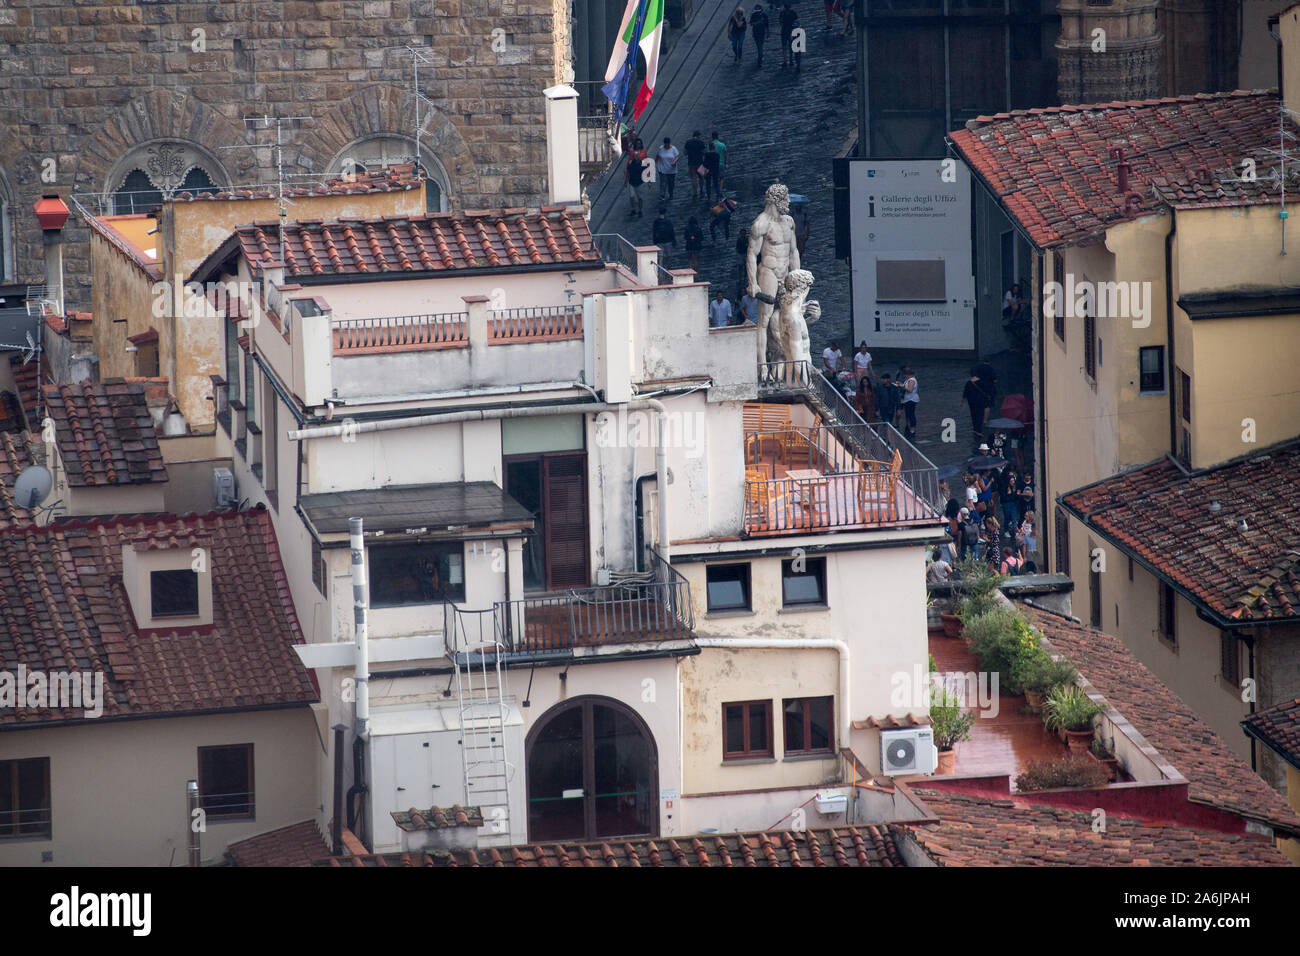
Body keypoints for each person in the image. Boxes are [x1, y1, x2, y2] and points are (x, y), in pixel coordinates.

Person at [746, 183, 799, 365]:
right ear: (776, 201)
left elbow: (794, 252)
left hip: (784, 273)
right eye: (786, 198)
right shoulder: (761, 224)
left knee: (788, 315)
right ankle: (762, 365)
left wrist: (797, 276)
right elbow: (752, 254)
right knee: (764, 320)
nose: (789, 201)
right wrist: (753, 282)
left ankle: (783, 356)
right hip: (768, 271)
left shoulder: (789, 222)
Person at [960, 369, 990, 439]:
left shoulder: (968, 383)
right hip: (980, 401)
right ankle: (978, 430)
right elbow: (987, 391)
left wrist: (961, 402)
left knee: (973, 415)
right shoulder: (982, 382)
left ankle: (975, 429)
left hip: (971, 402)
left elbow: (965, 393)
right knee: (980, 415)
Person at [624, 144, 646, 217]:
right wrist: (626, 182)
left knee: (640, 198)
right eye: (634, 156)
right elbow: (628, 172)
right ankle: (633, 209)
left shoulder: (642, 163)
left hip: (639, 183)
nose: (635, 157)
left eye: (636, 156)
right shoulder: (631, 163)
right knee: (632, 197)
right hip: (632, 182)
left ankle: (640, 210)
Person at [684, 130, 707, 200]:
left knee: (693, 178)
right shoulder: (700, 142)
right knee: (701, 177)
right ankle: (701, 189)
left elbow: (685, 153)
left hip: (691, 163)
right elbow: (704, 152)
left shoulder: (688, 142)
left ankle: (695, 192)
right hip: (700, 162)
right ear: (698, 136)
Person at [655, 137, 679, 202]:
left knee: (671, 183)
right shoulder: (661, 148)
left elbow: (677, 156)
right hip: (662, 169)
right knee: (663, 182)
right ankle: (662, 195)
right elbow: (657, 156)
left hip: (671, 170)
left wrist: (674, 161)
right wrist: (655, 163)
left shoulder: (673, 149)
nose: (667, 145)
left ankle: (671, 194)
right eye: (665, 144)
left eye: (668, 144)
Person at [898, 364, 919, 440]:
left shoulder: (911, 380)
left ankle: (912, 429)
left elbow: (909, 390)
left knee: (911, 414)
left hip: (911, 400)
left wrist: (902, 386)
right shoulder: (908, 380)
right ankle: (909, 427)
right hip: (907, 399)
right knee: (908, 414)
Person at [779, 2, 799, 71]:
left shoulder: (782, 13)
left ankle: (785, 61)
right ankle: (791, 60)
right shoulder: (793, 12)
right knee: (791, 46)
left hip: (784, 31)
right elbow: (797, 22)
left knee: (784, 46)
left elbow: (780, 22)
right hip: (792, 31)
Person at [750, 2, 770, 67]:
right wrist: (757, 23)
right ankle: (760, 57)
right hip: (756, 33)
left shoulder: (764, 15)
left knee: (761, 45)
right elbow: (751, 23)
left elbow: (767, 25)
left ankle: (760, 56)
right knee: (759, 46)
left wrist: (768, 33)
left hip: (762, 33)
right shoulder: (753, 15)